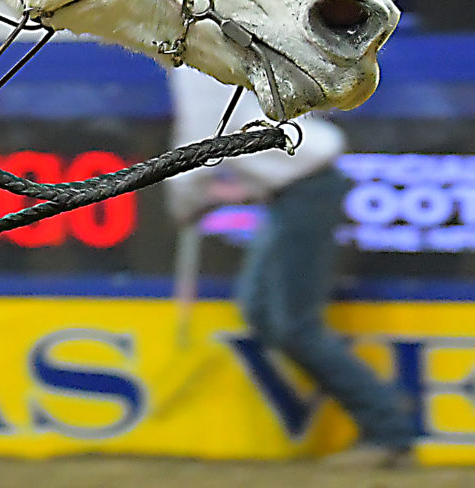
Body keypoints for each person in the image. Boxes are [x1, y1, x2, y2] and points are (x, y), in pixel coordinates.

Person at [167, 69, 416, 466]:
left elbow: (204, 132)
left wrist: (187, 192)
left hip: (305, 187)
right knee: (261, 310)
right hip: (292, 189)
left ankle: (387, 427)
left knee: (293, 324)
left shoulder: (195, 63)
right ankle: (384, 417)